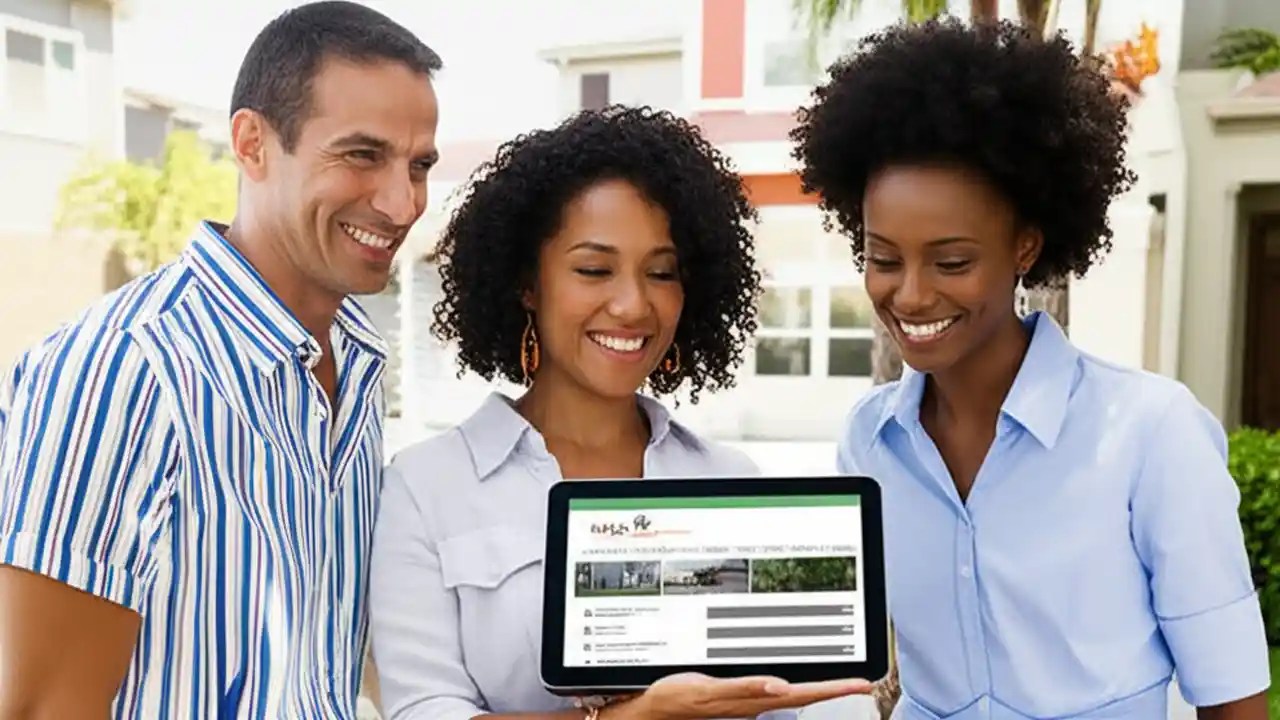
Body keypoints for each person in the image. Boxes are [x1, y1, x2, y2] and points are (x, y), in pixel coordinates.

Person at [790, 17, 1270, 720]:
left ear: (1025, 246)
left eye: (952, 261)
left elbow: (1232, 696)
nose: (912, 294)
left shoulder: (1150, 434)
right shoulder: (869, 442)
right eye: (884, 258)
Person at [0, 2, 440, 717]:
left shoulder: (355, 361)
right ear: (252, 144)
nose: (401, 201)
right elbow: (43, 709)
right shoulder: (127, 369)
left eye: (418, 165)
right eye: (362, 154)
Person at [368, 105, 871, 720]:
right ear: (528, 282)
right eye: (593, 269)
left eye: (662, 273)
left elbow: (781, 708)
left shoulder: (727, 481)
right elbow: (423, 711)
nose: (633, 305)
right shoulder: (427, 487)